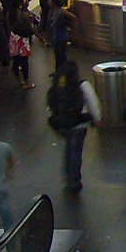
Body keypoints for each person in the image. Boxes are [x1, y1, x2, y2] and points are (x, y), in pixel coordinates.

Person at [47, 60, 100, 193]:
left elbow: (50, 104)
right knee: (76, 152)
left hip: (63, 124)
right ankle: (74, 181)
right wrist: (97, 118)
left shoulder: (57, 86)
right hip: (79, 123)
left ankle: (67, 177)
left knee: (68, 149)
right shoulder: (82, 85)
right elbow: (92, 102)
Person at [48, 0, 76, 70]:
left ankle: (64, 70)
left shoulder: (61, 11)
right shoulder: (52, 11)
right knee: (57, 55)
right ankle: (59, 70)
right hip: (55, 36)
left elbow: (73, 17)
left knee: (61, 55)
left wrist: (65, 25)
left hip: (62, 36)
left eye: (49, 1)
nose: (48, 2)